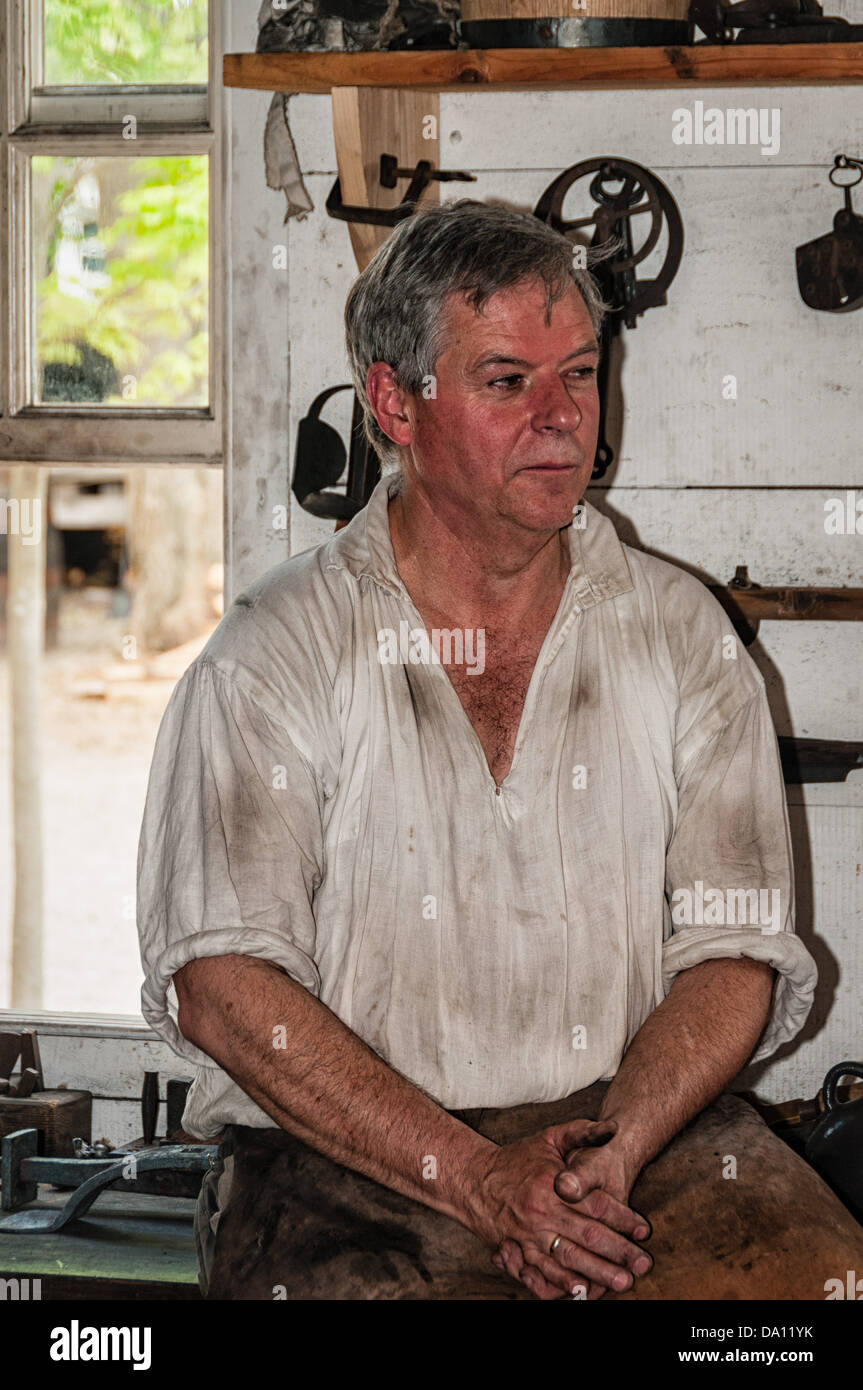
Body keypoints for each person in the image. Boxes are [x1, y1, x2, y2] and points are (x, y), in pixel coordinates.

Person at [137, 200, 848, 1302]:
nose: (562, 418)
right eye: (507, 380)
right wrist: (472, 1177)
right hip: (342, 1159)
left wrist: (606, 1154)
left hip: (623, 1136)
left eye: (578, 371)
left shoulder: (679, 633)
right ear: (394, 402)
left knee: (818, 1286)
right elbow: (223, 986)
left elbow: (732, 953)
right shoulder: (272, 654)